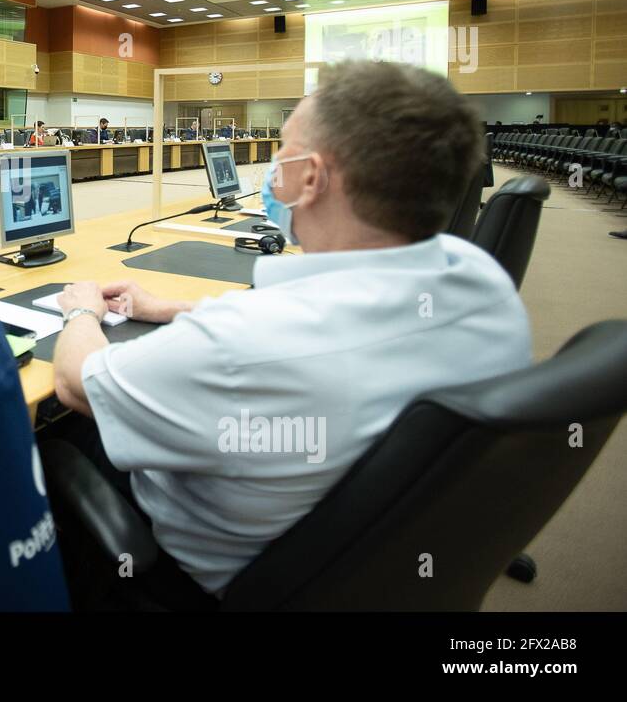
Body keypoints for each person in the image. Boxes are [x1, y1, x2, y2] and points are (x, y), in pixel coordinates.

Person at [47, 60, 531, 606]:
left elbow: (74, 379)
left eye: (282, 149)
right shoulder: (483, 280)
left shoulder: (245, 344)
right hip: (360, 571)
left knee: (49, 433)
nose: (273, 165)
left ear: (312, 177)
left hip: (197, 579)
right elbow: (293, 324)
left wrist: (81, 310)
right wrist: (176, 309)